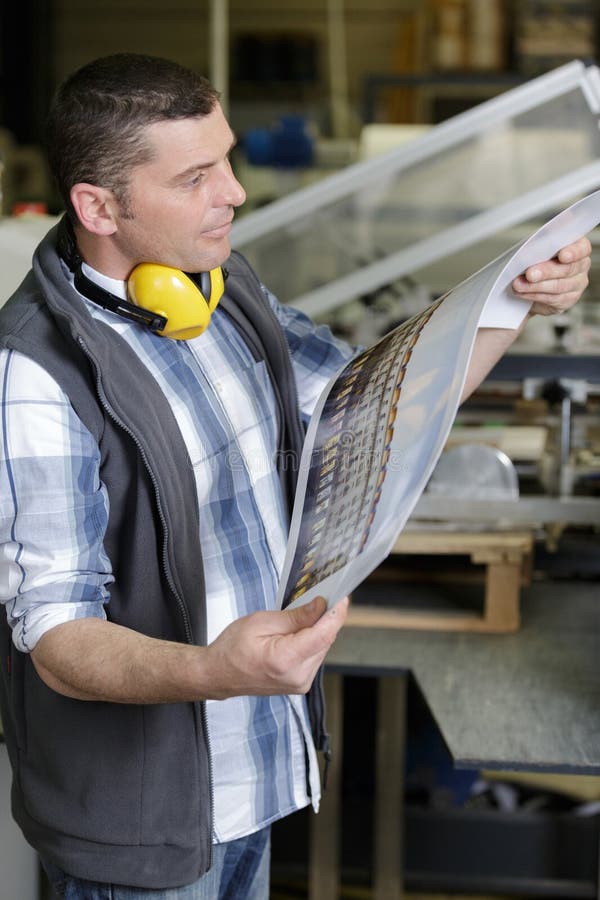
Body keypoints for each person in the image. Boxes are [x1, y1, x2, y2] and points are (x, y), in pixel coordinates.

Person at [0, 53, 592, 900]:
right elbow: (58, 638)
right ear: (98, 207)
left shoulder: (219, 287)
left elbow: (371, 405)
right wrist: (218, 671)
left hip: (260, 772)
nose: (235, 192)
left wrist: (515, 299)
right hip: (146, 826)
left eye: (227, 159)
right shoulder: (36, 373)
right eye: (197, 177)